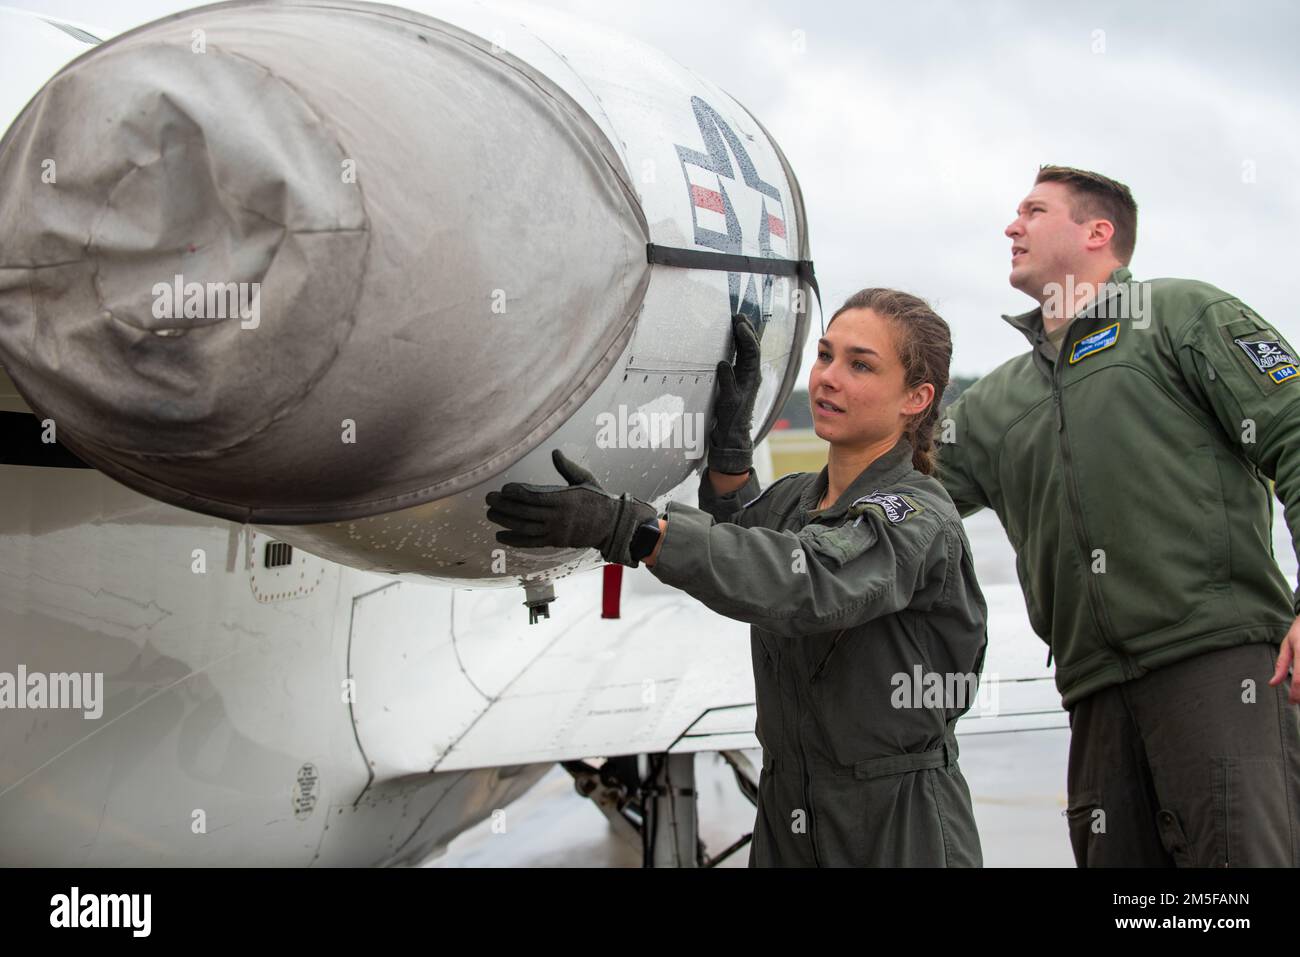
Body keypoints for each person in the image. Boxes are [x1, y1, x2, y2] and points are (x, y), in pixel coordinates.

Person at [486, 294, 988, 867]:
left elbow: (805, 581)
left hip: (895, 827)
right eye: (825, 355)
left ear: (916, 399)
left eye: (860, 365)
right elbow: (744, 547)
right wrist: (729, 450)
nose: (828, 377)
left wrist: (629, 529)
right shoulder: (799, 497)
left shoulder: (917, 515)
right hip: (788, 813)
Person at [937, 164, 1300, 866]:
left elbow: (1294, 430)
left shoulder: (1182, 315)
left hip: (1220, 668)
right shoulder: (990, 406)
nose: (1012, 226)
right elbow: (894, 508)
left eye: (1034, 211)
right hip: (1094, 697)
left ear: (1098, 232)